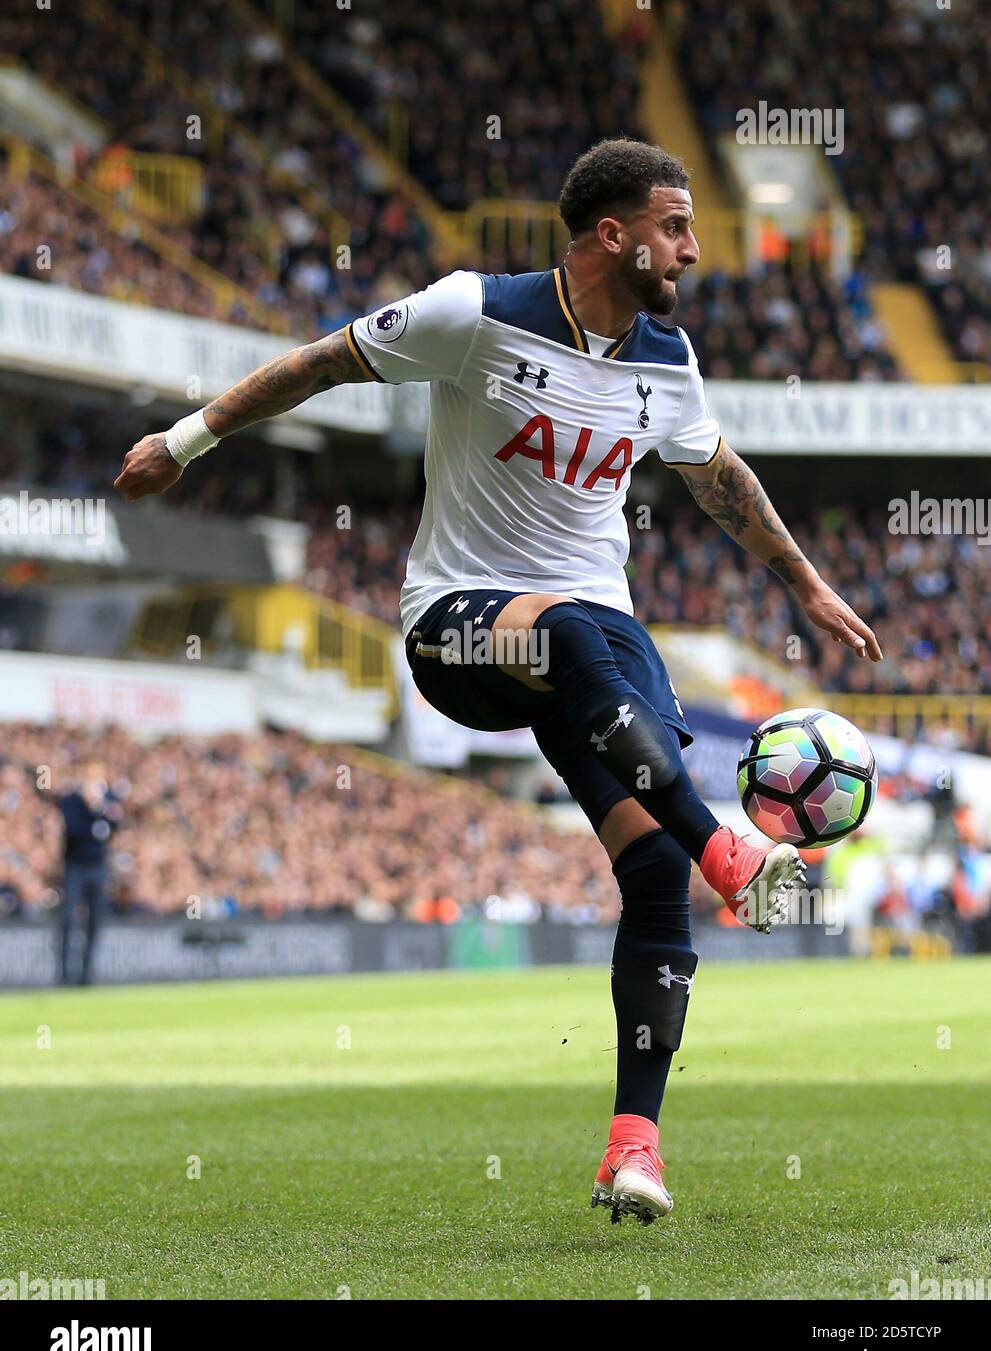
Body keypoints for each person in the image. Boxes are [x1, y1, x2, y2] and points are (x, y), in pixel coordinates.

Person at [115, 138, 882, 1224]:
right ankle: (729, 846)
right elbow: (319, 362)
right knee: (573, 631)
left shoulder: (666, 355)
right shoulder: (474, 311)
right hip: (459, 637)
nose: (694, 249)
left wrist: (803, 584)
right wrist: (186, 440)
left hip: (594, 644)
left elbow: (716, 474)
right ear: (611, 234)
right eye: (675, 225)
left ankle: (633, 1148)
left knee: (653, 869)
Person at [33, 762, 122, 985]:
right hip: (75, 866)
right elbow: (74, 831)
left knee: (95, 922)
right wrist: (92, 812)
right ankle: (64, 975)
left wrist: (99, 808)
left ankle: (87, 974)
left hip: (98, 867)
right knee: (69, 920)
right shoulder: (71, 800)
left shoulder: (108, 799)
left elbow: (115, 826)